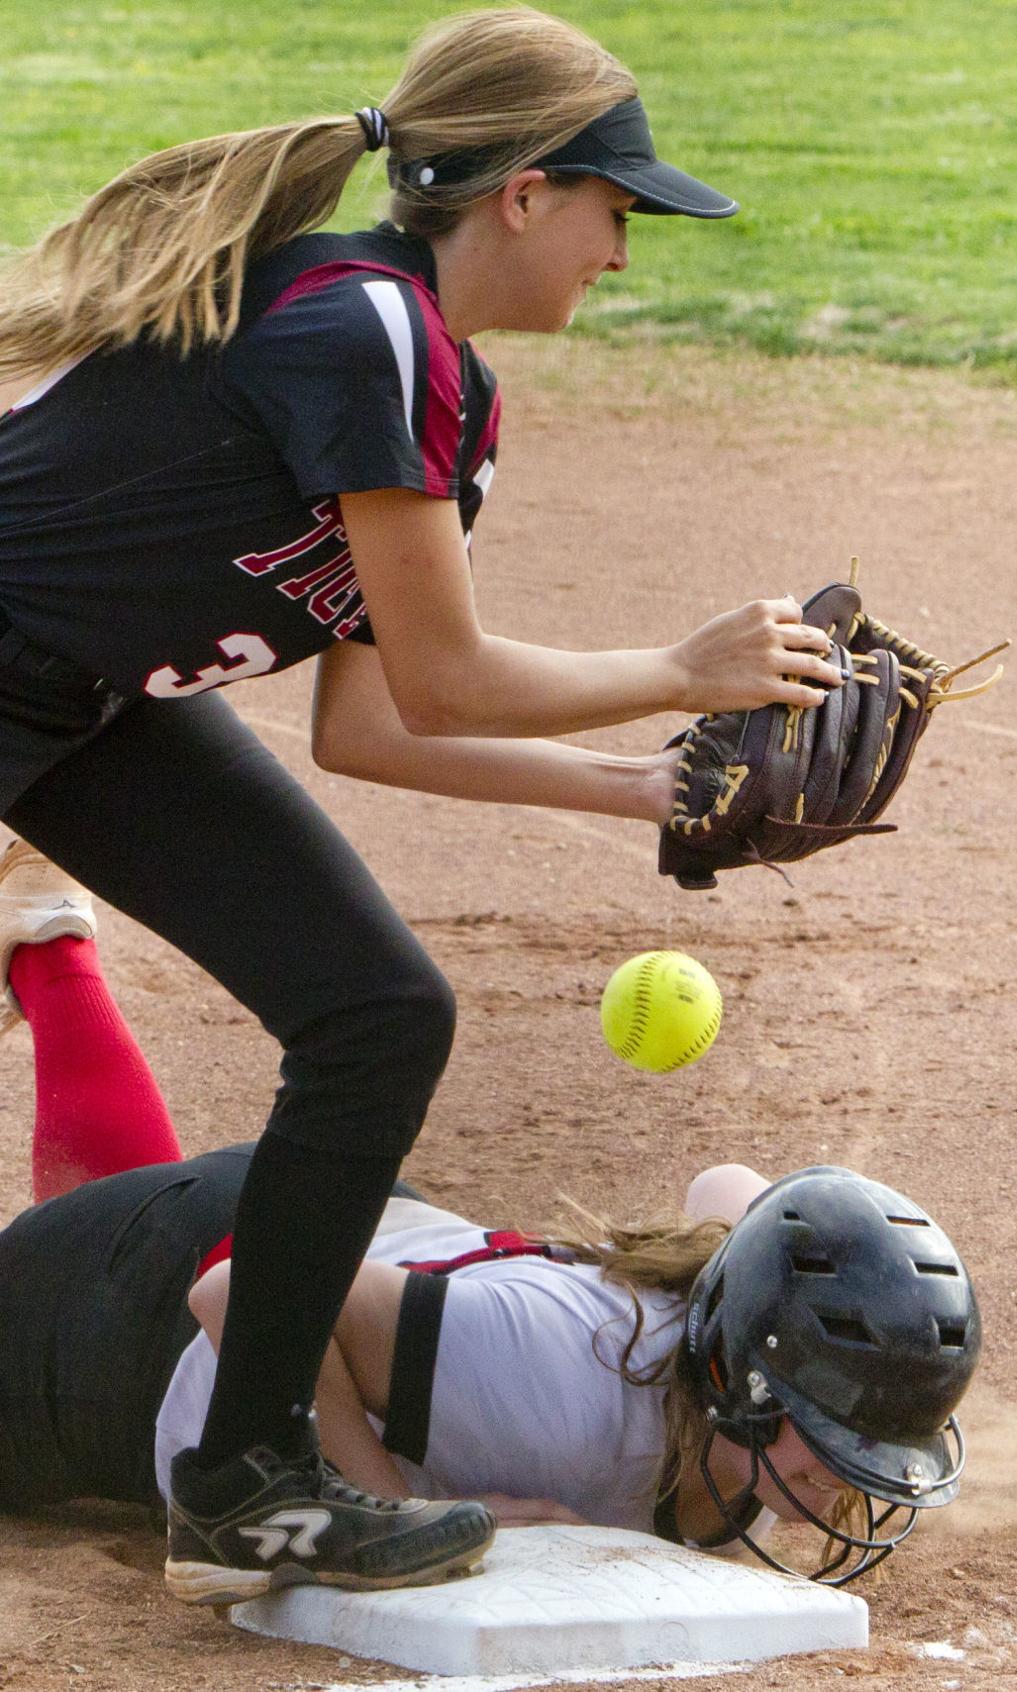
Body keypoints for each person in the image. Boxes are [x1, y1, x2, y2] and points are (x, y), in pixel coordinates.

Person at [0, 7, 849, 1603]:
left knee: (378, 1014)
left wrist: (648, 788)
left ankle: (250, 1477)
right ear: (525, 194)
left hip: (91, 701)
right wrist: (682, 669)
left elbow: (375, 725)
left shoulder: (449, 397)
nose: (624, 250)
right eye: (616, 209)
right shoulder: (363, 328)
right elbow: (449, 681)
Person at [0, 846, 982, 1595]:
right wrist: (392, 1513)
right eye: (833, 1437)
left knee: (120, 1202)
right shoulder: (560, 1381)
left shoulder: (728, 1364)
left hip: (330, 1228)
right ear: (739, 1380)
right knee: (103, 1250)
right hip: (156, 1332)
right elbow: (235, 1291)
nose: (854, 1483)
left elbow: (728, 1186)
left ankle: (51, 952)